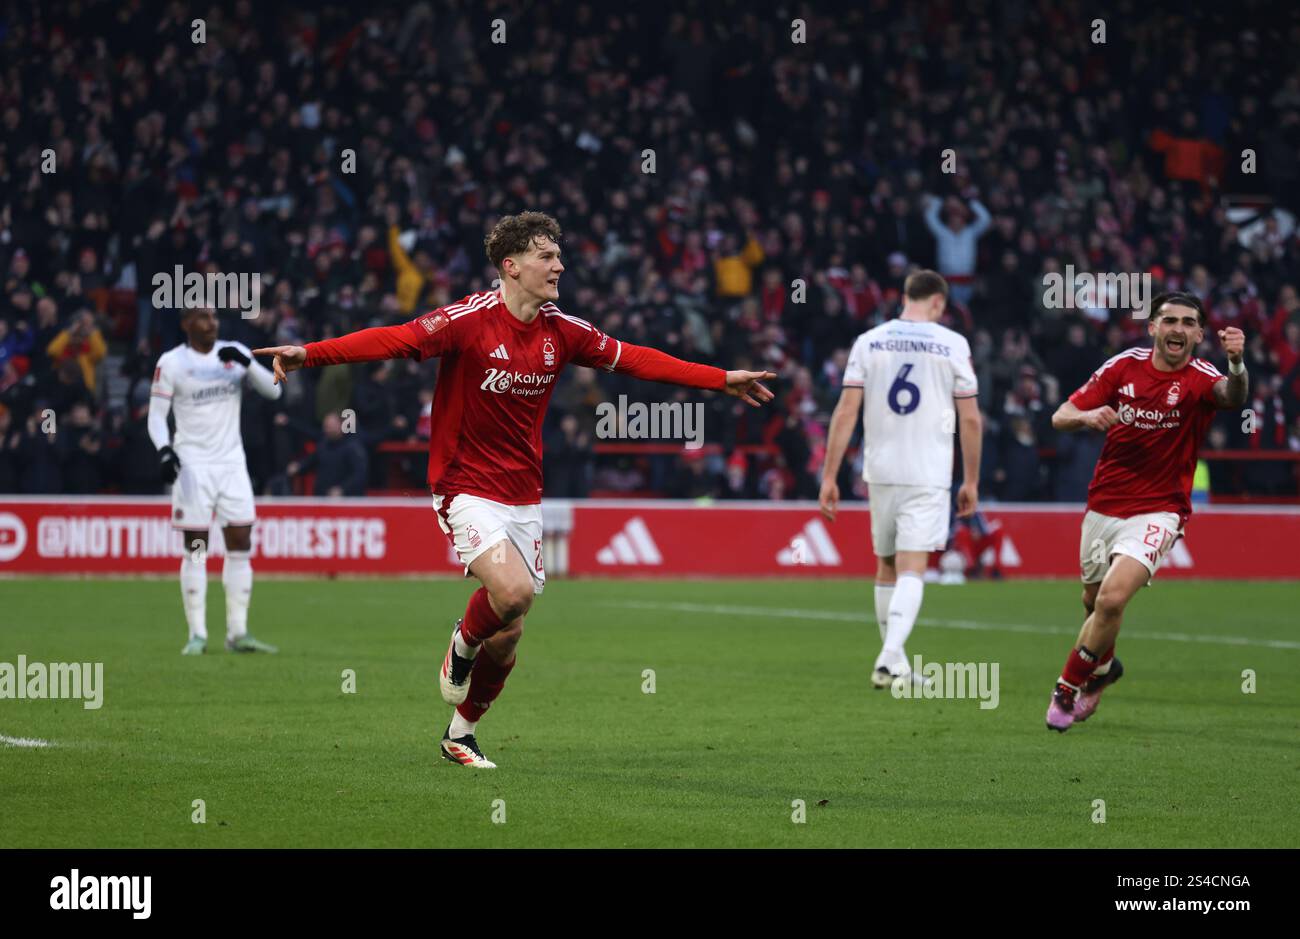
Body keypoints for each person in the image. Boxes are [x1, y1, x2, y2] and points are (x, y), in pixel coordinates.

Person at [255, 211, 776, 768]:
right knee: (513, 594)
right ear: (512, 265)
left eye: (558, 255)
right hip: (464, 485)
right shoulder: (466, 320)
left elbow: (637, 361)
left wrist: (720, 379)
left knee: (509, 631)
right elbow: (393, 340)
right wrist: (308, 353)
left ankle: (460, 734)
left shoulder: (564, 331)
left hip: (523, 495)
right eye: (546, 256)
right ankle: (460, 642)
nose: (559, 265)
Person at [1044, 292, 1248, 731]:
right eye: (1169, 319)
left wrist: (1236, 362)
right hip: (1104, 503)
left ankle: (1066, 687)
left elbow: (1232, 396)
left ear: (1198, 334)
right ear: (1152, 327)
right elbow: (1060, 415)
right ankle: (1103, 671)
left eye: (1188, 322)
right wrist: (1088, 416)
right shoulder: (1121, 367)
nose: (1178, 328)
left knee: (1113, 599)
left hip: (1160, 508)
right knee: (1094, 604)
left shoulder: (1202, 375)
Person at [819, 270, 983, 688]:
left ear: (905, 297)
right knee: (913, 566)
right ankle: (890, 656)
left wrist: (830, 476)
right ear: (939, 303)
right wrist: (972, 480)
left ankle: (895, 665)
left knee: (886, 564)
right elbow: (969, 417)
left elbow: (845, 412)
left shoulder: (868, 341)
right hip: (927, 471)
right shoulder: (952, 344)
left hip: (880, 468)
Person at [148, 307, 283, 655]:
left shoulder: (232, 353)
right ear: (186, 324)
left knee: (241, 542)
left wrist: (247, 362)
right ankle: (197, 634)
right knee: (196, 548)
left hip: (232, 464)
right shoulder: (172, 362)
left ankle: (238, 633)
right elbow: (157, 417)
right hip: (192, 466)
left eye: (214, 316)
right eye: (203, 317)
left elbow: (274, 393)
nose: (212, 323)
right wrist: (164, 450)